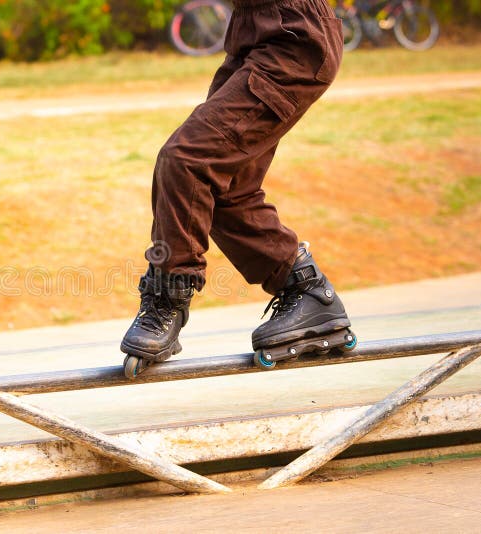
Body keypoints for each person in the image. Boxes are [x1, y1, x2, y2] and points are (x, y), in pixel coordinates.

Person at [121, 0, 355, 378]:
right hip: (255, 33)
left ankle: (168, 297)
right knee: (224, 188)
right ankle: (304, 288)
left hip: (292, 39)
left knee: (187, 159)